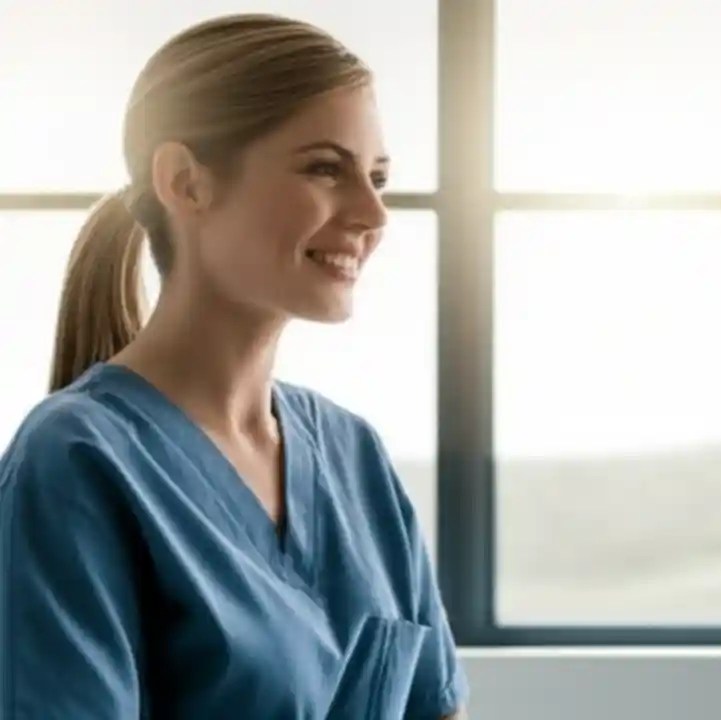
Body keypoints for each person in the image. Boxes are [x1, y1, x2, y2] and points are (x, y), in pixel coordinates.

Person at [0, 13, 468, 719]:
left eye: (378, 177)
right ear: (185, 181)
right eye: (324, 168)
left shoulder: (355, 456)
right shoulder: (74, 462)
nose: (374, 213)